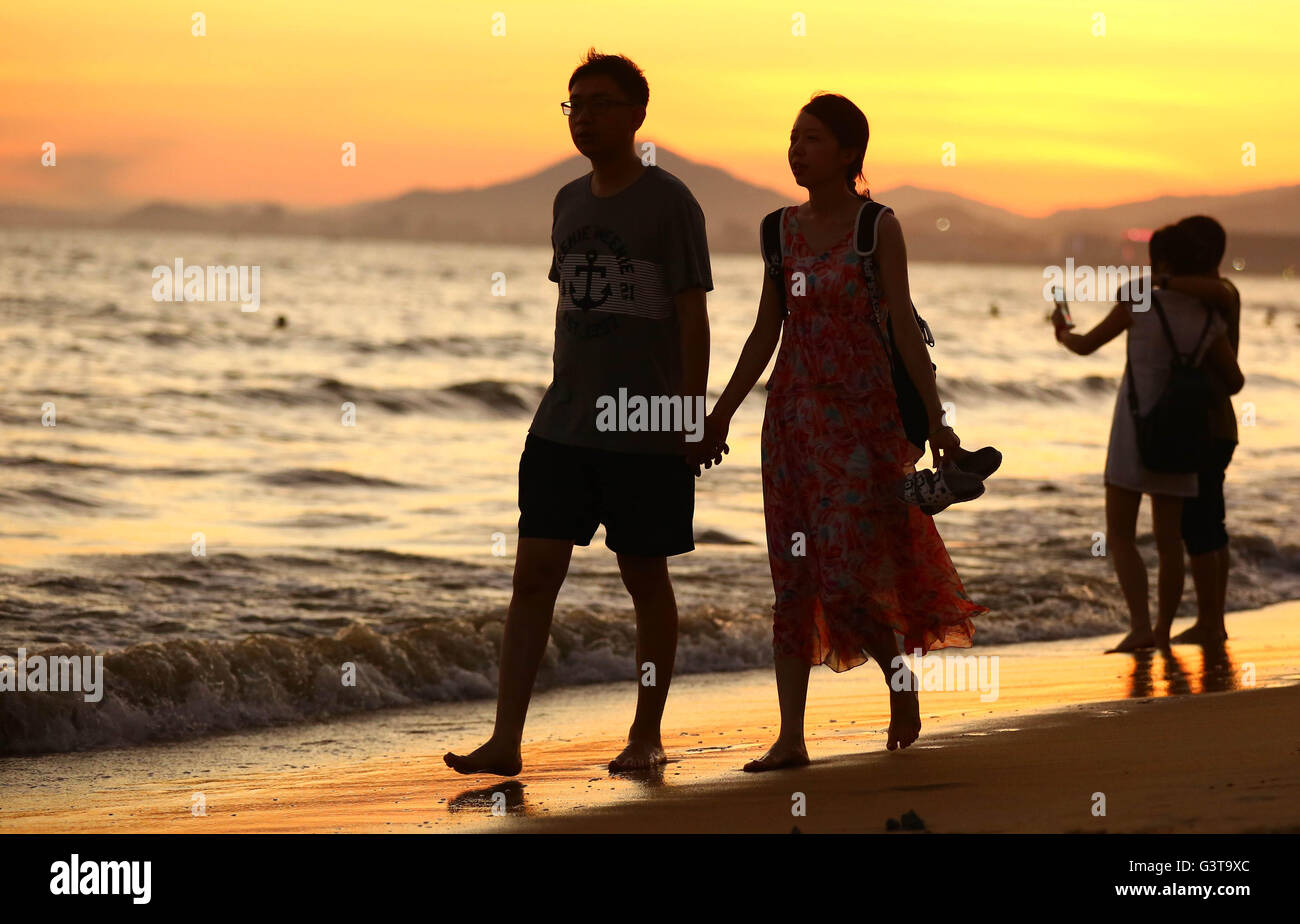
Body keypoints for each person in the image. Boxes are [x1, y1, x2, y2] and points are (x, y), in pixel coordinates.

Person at [697, 93, 986, 771]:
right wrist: (720, 412)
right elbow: (767, 331)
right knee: (793, 577)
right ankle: (791, 738)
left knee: (847, 570)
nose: (798, 149)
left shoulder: (875, 228)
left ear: (849, 154)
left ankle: (898, 679)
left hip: (864, 425)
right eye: (793, 138)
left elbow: (906, 330)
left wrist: (938, 420)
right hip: (792, 425)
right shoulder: (777, 231)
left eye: (814, 139)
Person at [445, 49, 712, 776]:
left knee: (644, 578)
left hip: (645, 427)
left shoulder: (671, 203)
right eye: (574, 105)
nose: (585, 117)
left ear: (637, 115)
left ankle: (645, 734)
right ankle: (505, 741)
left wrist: (692, 416)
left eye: (599, 103)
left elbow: (692, 317)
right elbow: (575, 310)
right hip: (562, 425)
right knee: (532, 577)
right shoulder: (567, 201)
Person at [1053, 225, 1243, 652]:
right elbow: (1234, 380)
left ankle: (1139, 627)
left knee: (1119, 533)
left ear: (1161, 263)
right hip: (1183, 436)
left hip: (1134, 432)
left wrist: (1063, 331)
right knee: (1169, 539)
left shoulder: (1139, 298)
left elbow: (1085, 346)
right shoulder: (1208, 314)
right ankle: (1161, 631)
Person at [1161, 216, 1240, 645]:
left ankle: (1212, 621)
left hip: (1208, 426)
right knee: (1210, 522)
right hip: (1210, 426)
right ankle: (1214, 618)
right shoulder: (1205, 294)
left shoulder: (1222, 292)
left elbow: (1216, 290)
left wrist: (1162, 281)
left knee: (1201, 525)